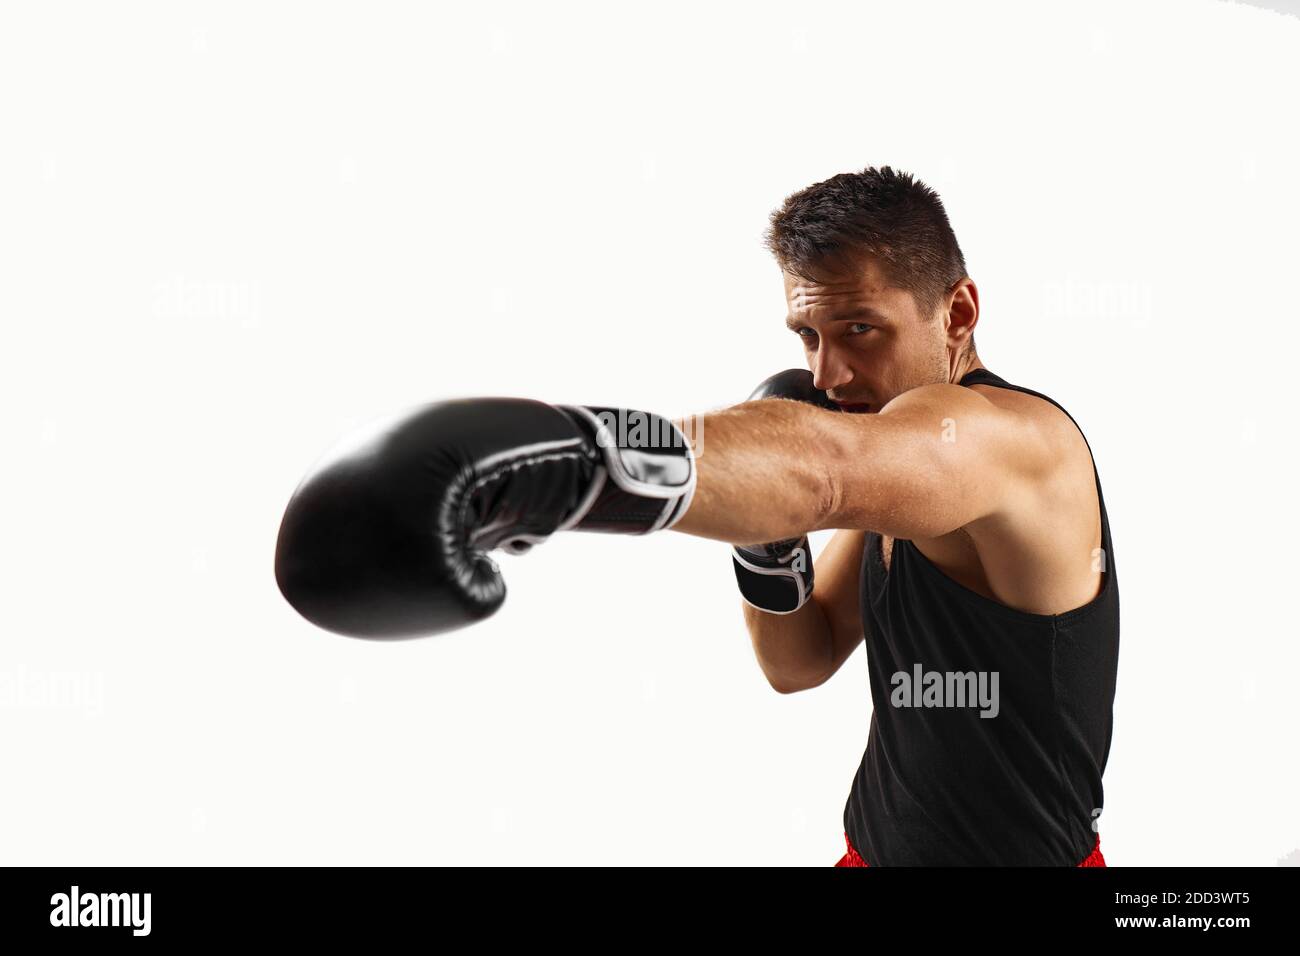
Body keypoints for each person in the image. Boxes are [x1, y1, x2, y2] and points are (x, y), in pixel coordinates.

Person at [275, 166, 1118, 867]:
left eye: (860, 328)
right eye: (808, 335)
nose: (828, 375)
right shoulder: (899, 472)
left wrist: (566, 465)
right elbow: (799, 658)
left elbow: (825, 469)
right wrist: (767, 534)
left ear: (957, 313)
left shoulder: (1009, 443)